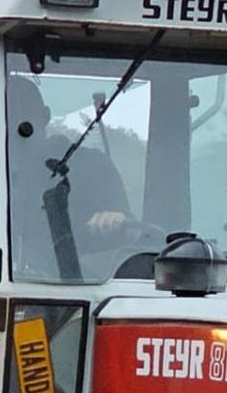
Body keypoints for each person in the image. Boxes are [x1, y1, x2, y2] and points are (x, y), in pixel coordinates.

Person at [7, 75, 135, 276]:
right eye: (6, 118)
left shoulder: (93, 167)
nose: (13, 128)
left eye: (23, 118)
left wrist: (114, 223)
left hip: (82, 287)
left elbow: (134, 236)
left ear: (45, 116)